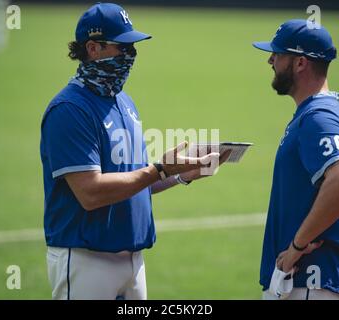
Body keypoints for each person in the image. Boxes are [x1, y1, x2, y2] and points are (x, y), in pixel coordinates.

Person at [40, 2, 229, 300]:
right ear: (93, 48)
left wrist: (181, 174)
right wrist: (160, 169)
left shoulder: (124, 102)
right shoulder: (69, 109)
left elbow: (136, 180)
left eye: (133, 46)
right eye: (122, 47)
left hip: (133, 260)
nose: (131, 55)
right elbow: (91, 193)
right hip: (87, 261)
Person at [252, 19, 339, 300]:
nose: (270, 60)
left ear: (300, 63)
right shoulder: (320, 112)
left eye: (278, 54)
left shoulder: (318, 117)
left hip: (311, 283)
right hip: (308, 283)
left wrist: (297, 247)